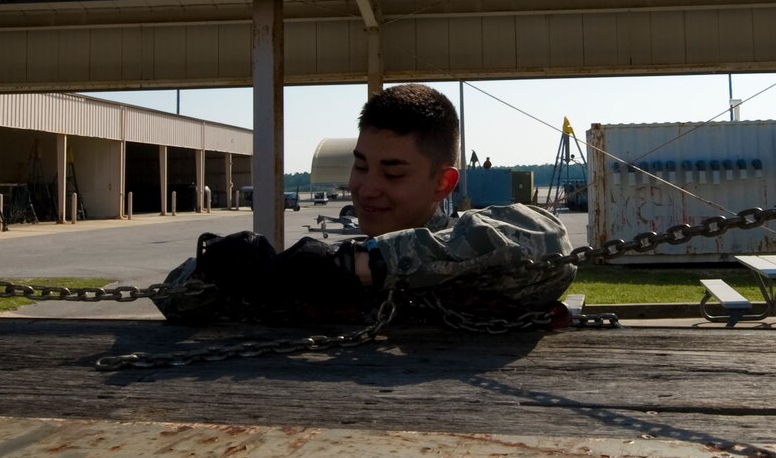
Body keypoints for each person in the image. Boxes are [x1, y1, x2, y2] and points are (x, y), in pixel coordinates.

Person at [152, 85, 575, 332]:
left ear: (442, 184)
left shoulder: (481, 255)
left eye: (393, 173)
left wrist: (373, 263)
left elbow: (550, 239)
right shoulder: (330, 274)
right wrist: (219, 269)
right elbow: (171, 299)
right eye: (360, 166)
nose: (366, 188)